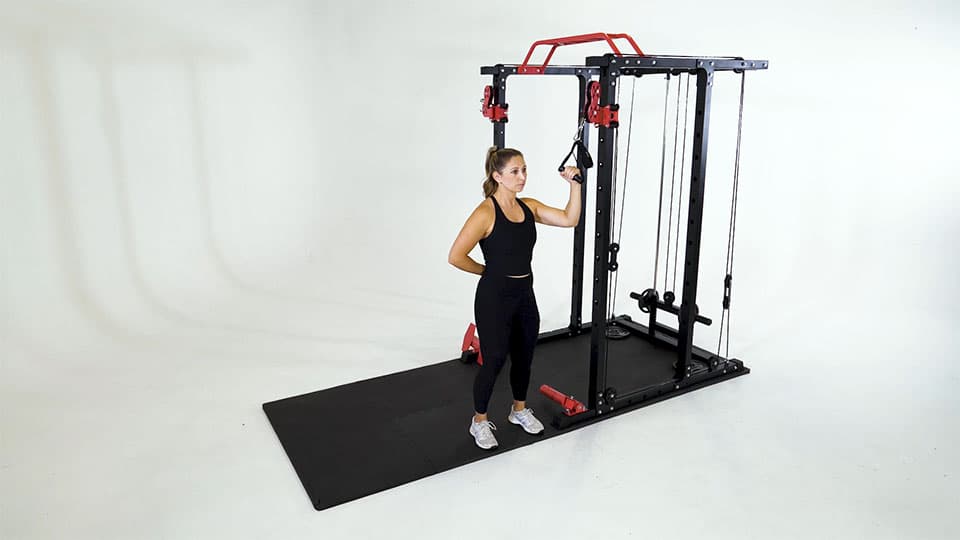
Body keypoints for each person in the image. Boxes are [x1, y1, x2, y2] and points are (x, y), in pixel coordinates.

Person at [448, 147, 582, 450]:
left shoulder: (528, 207)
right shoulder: (485, 213)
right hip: (494, 297)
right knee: (494, 359)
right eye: (515, 171)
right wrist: (486, 271)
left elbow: (569, 219)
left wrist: (574, 184)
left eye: (524, 170)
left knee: (524, 356)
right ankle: (479, 421)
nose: (522, 177)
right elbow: (456, 256)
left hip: (524, 295)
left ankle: (518, 410)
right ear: (497, 176)